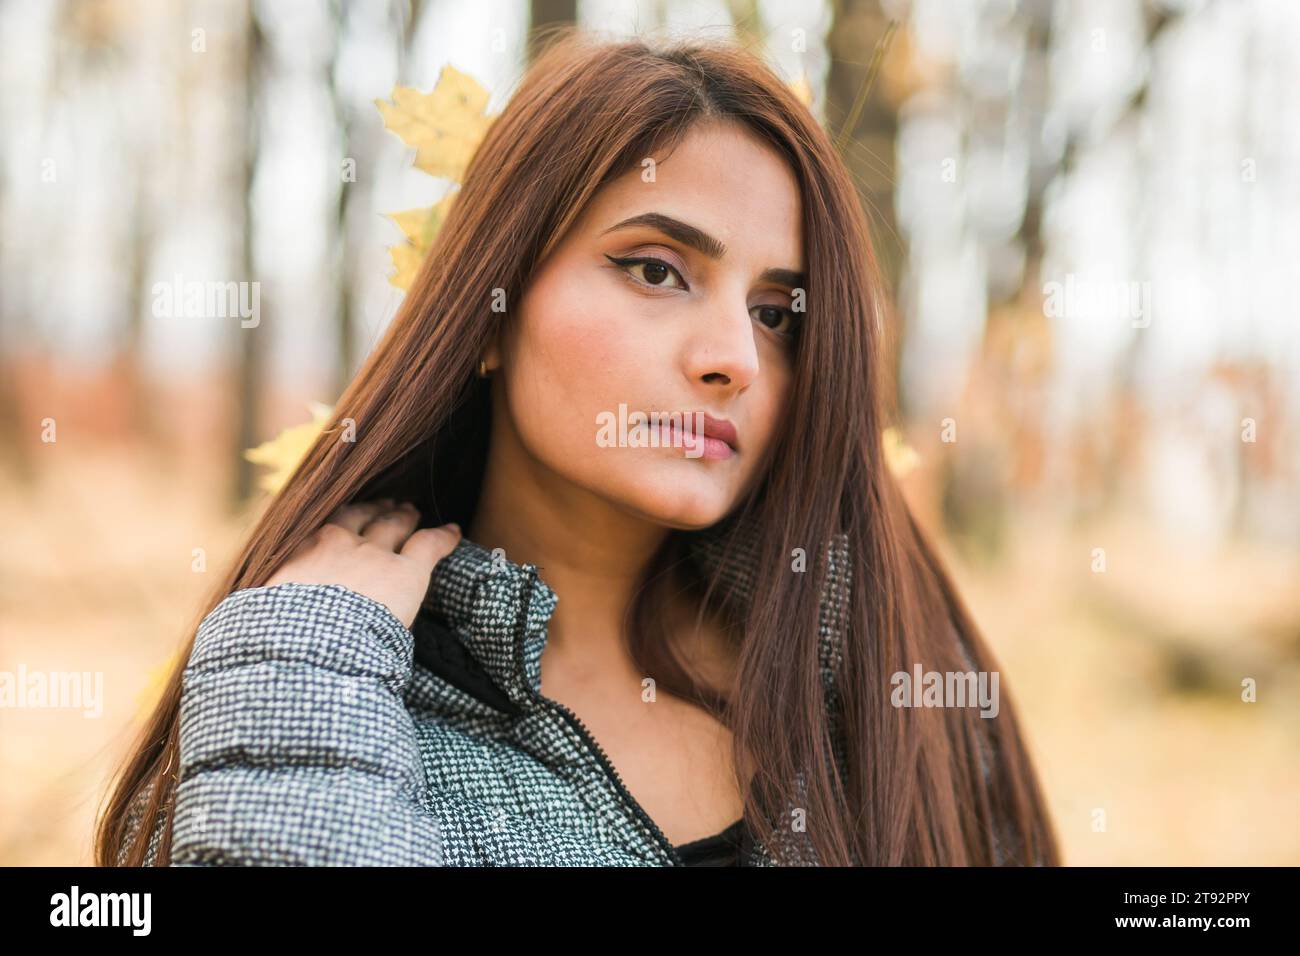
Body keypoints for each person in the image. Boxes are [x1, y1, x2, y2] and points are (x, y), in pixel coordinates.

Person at [98, 26, 1060, 867]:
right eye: (655, 269)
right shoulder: (308, 687)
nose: (735, 360)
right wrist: (305, 691)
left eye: (777, 315)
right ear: (490, 309)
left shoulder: (880, 680)